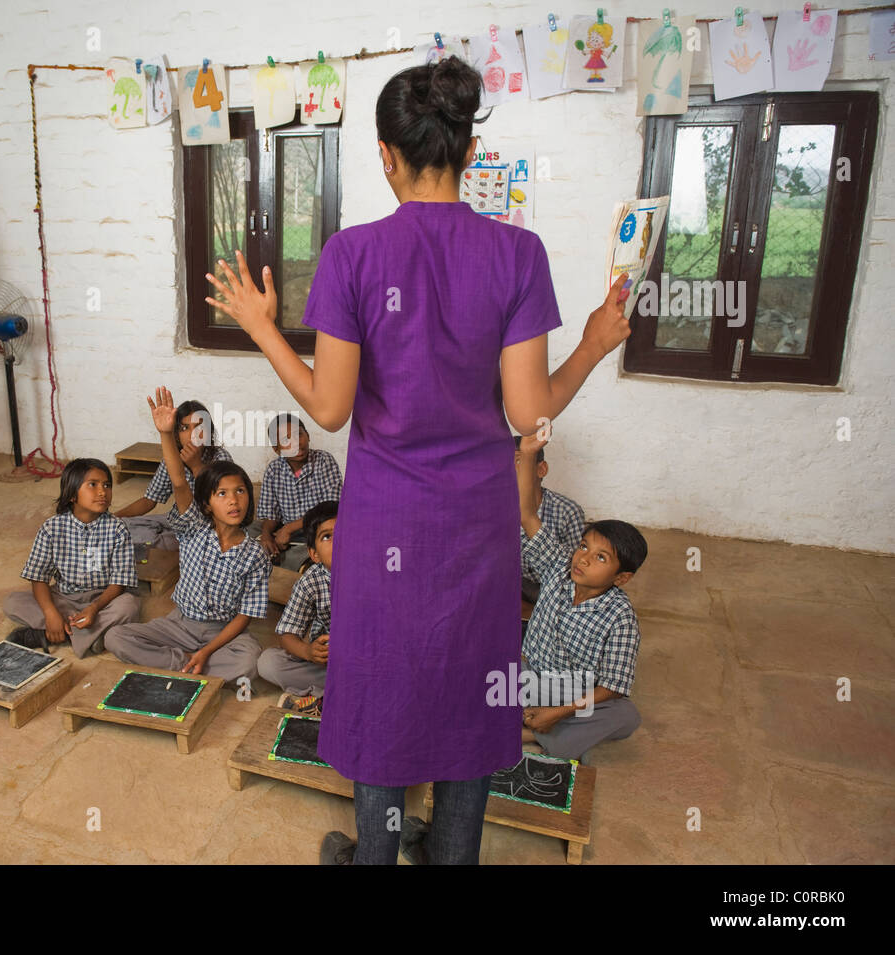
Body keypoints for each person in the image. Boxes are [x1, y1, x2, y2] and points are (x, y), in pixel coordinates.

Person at [205, 55, 632, 865]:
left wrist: (265, 328)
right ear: (469, 153)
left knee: (385, 683)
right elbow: (527, 412)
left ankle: (376, 852)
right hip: (478, 525)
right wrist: (593, 345)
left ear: (384, 153)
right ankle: (453, 853)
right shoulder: (517, 253)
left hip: (385, 526)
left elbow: (329, 408)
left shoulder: (352, 254)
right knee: (472, 686)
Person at [106, 387, 269, 683]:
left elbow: (245, 616)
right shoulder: (195, 524)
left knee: (250, 662)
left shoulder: (255, 554)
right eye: (222, 494)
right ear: (207, 502)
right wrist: (165, 433)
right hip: (181, 622)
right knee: (116, 637)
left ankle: (190, 662)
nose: (233, 500)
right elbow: (177, 486)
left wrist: (208, 650)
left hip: (222, 630)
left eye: (240, 492)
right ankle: (184, 664)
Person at [517, 432, 644, 761]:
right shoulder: (557, 567)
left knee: (625, 717)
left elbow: (613, 685)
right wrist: (527, 454)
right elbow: (528, 515)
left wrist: (558, 711)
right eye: (584, 547)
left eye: (601, 558)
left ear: (622, 577)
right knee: (477, 677)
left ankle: (531, 732)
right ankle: (548, 734)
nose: (583, 558)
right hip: (527, 675)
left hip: (572, 690)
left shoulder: (620, 617)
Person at [2, 458, 140, 657]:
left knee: (129, 606)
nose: (102, 491)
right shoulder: (51, 528)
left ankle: (50, 635)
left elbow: (119, 583)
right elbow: (38, 577)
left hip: (102, 601)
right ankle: (86, 635)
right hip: (63, 597)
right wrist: (51, 614)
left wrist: (94, 608)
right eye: (93, 485)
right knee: (13, 602)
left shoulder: (117, 529)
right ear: (72, 494)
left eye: (107, 485)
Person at [115, 399, 232, 551]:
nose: (193, 434)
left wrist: (196, 466)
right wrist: (114, 517)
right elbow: (150, 500)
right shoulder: (172, 459)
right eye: (184, 428)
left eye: (199, 427)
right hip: (175, 522)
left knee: (147, 542)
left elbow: (222, 502)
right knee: (125, 527)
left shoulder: (221, 457)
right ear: (176, 435)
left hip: (207, 528)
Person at [258, 500, 337, 714]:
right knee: (269, 663)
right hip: (329, 664)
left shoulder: (375, 574)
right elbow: (287, 634)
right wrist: (310, 653)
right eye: (327, 536)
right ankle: (337, 693)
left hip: (367, 661)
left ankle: (322, 700)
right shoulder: (311, 581)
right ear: (314, 555)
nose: (340, 541)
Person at [257, 414, 343, 570]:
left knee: (321, 542)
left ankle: (301, 560)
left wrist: (289, 528)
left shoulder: (324, 461)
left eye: (299, 435)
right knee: (251, 530)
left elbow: (332, 509)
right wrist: (267, 535)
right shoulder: (273, 470)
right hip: (287, 533)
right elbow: (270, 514)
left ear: (308, 436)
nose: (296, 443)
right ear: (277, 449)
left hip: (318, 529)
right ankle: (274, 551)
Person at [514, 434, 585, 607]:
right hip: (507, 591)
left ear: (541, 469)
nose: (509, 470)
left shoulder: (567, 511)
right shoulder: (492, 509)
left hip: (552, 594)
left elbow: (572, 572)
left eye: (517, 461)